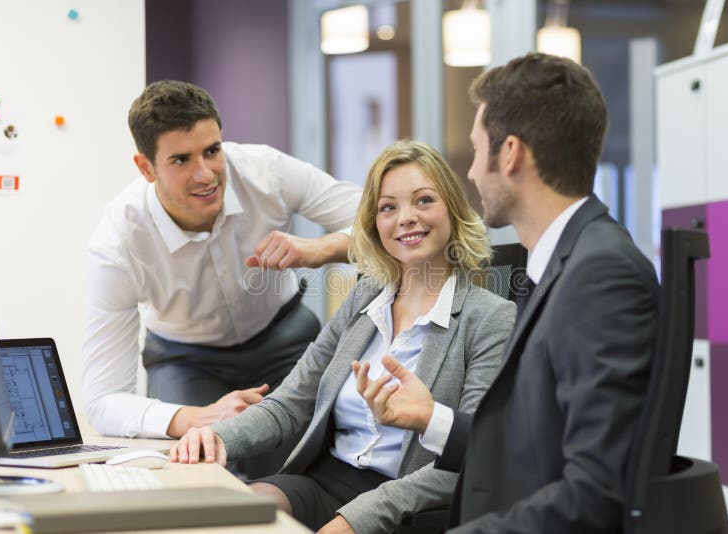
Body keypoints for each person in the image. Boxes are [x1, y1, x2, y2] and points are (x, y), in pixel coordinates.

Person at [356, 52, 660, 532]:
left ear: (511, 153)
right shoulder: (562, 261)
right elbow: (534, 444)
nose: (473, 173)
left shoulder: (601, 276)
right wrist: (432, 418)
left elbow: (596, 494)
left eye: (478, 151)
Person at [170, 139, 516, 534]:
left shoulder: (490, 318)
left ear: (452, 210)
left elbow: (472, 457)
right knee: (234, 516)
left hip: (406, 501)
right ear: (374, 224)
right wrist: (214, 438)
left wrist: (356, 518)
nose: (406, 218)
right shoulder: (365, 297)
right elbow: (290, 404)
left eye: (423, 200)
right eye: (388, 207)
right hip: (325, 480)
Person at [82, 80, 362, 444]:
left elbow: (380, 219)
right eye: (181, 160)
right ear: (146, 167)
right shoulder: (118, 243)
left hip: (284, 338)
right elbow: (103, 400)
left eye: (212, 151)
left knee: (304, 457)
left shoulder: (267, 171)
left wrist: (322, 248)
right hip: (186, 360)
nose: (205, 174)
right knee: (197, 457)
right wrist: (194, 418)